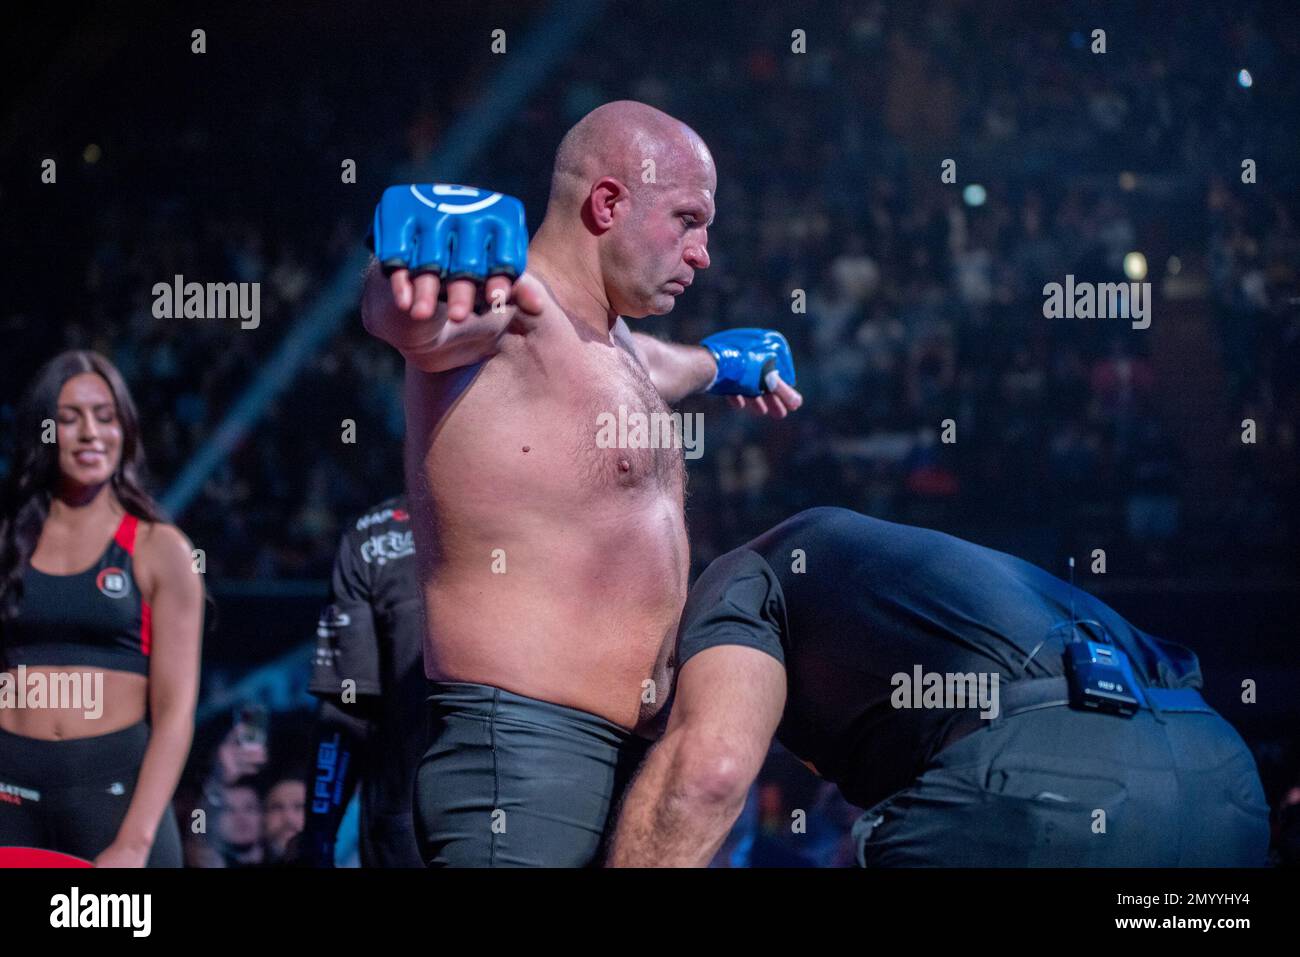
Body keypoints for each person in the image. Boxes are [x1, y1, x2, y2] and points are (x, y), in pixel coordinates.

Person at [361, 99, 803, 866]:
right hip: (523, 755)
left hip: (627, 767)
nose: (703, 254)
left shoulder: (614, 342)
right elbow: (418, 325)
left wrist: (728, 363)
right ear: (607, 202)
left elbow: (665, 368)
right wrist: (406, 270)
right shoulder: (513, 304)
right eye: (689, 220)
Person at [608, 506, 1271, 867]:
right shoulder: (879, 575)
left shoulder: (733, 579)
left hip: (1048, 783)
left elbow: (711, 772)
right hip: (1225, 784)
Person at [0, 351, 203, 867]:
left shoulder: (162, 548)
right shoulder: (6, 542)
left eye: (105, 416)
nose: (90, 432)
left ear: (125, 430)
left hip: (114, 803)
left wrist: (134, 843)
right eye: (69, 419)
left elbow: (176, 712)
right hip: (11, 798)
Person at [300, 496, 426, 867]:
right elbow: (347, 709)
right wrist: (318, 836)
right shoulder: (375, 536)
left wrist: (318, 836)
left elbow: (345, 711)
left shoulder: (375, 533)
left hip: (530, 807)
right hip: (408, 823)